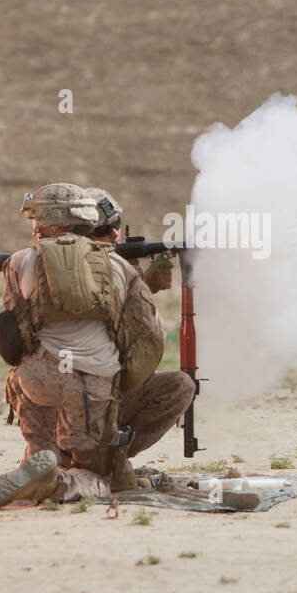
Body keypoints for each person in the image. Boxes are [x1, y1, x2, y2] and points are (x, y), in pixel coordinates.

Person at [0, 183, 165, 508]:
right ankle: (60, 481)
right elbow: (149, 335)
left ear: (46, 225)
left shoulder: (18, 262)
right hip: (90, 385)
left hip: (36, 383)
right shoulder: (121, 267)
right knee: (101, 479)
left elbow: (13, 333)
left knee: (26, 372)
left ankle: (39, 463)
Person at [81, 188, 196, 489]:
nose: (115, 234)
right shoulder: (80, 273)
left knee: (180, 386)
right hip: (88, 392)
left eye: (117, 225)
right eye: (105, 230)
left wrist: (142, 281)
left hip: (90, 393)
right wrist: (140, 283)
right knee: (179, 387)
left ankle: (104, 456)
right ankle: (103, 460)